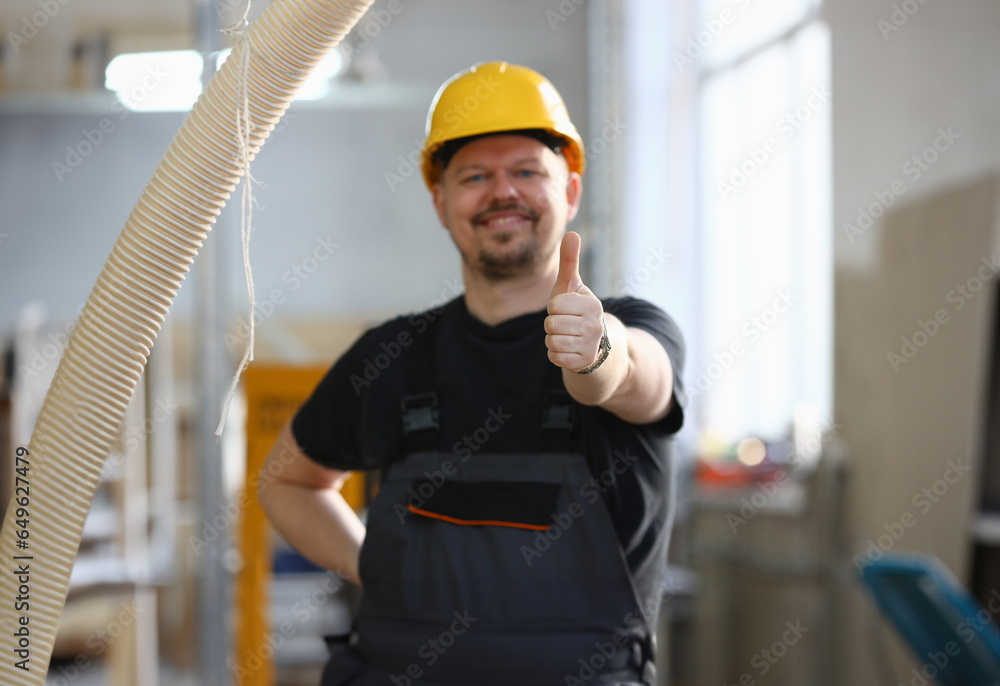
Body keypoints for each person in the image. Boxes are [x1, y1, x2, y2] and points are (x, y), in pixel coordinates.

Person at [259, 61, 686, 686]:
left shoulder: (633, 326)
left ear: (569, 192)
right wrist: (374, 567)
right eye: (475, 176)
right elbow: (287, 481)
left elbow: (635, 382)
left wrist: (596, 352)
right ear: (440, 203)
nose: (502, 193)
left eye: (526, 172)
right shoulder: (394, 355)